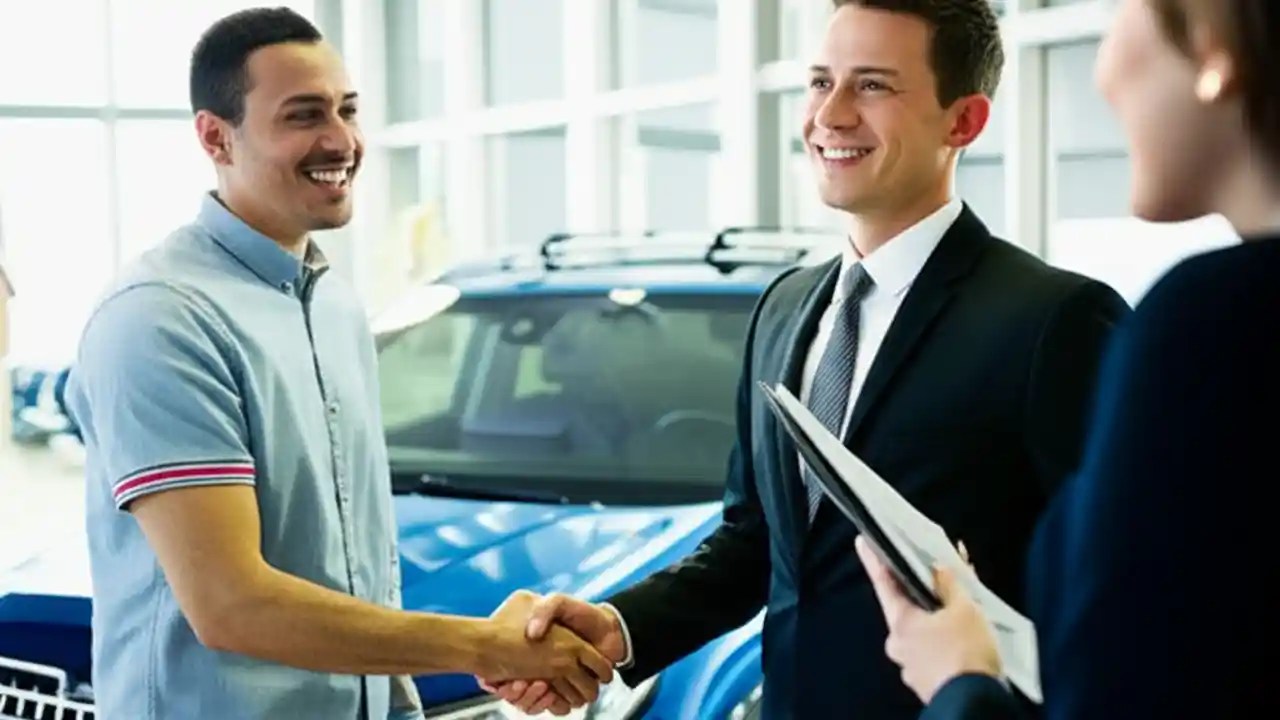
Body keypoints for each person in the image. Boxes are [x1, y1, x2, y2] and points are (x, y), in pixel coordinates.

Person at [485, 1, 1132, 717]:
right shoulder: (783, 307)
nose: (832, 113)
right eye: (821, 81)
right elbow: (757, 544)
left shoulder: (1056, 321)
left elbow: (1123, 590)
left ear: (964, 121)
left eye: (874, 85)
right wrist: (619, 626)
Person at [61, 8, 611, 720]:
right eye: (304, 115)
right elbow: (232, 605)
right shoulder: (160, 316)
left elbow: (360, 568)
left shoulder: (334, 304)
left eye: (348, 109)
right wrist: (484, 645)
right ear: (214, 137)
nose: (343, 140)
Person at [858, 0, 1278, 717]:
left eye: (1125, 13)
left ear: (1213, 41)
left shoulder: (1215, 334)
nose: (1103, 73)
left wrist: (961, 680)